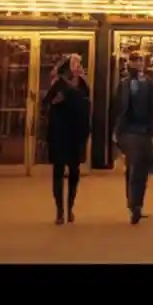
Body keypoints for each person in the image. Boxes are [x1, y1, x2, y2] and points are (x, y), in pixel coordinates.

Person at [112, 51, 153, 225]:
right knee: (134, 166)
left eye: (140, 60)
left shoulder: (149, 84)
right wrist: (115, 132)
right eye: (135, 61)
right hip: (128, 132)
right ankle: (134, 206)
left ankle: (137, 202)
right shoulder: (123, 84)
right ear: (130, 64)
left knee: (141, 169)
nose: (138, 63)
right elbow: (117, 108)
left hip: (145, 132)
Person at [42, 54, 91, 225]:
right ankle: (59, 210)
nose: (77, 65)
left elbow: (87, 106)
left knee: (74, 172)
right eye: (74, 62)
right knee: (58, 171)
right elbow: (46, 102)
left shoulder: (83, 84)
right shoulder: (59, 83)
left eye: (79, 62)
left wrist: (86, 131)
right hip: (59, 133)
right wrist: (55, 101)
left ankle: (70, 207)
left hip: (75, 134)